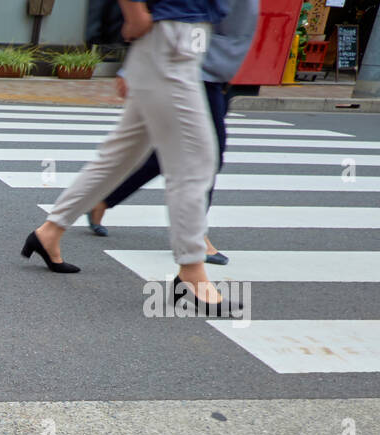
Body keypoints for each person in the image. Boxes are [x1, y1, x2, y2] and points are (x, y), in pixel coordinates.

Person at [22, 0, 232, 314]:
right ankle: (191, 270)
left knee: (121, 155)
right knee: (194, 162)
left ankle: (49, 232)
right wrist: (134, 12)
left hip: (177, 39)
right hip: (170, 39)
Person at [87, 0, 258, 267]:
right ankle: (195, 244)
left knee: (161, 155)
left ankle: (99, 202)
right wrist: (129, 68)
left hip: (218, 75)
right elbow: (170, 13)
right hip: (194, 71)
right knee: (205, 159)